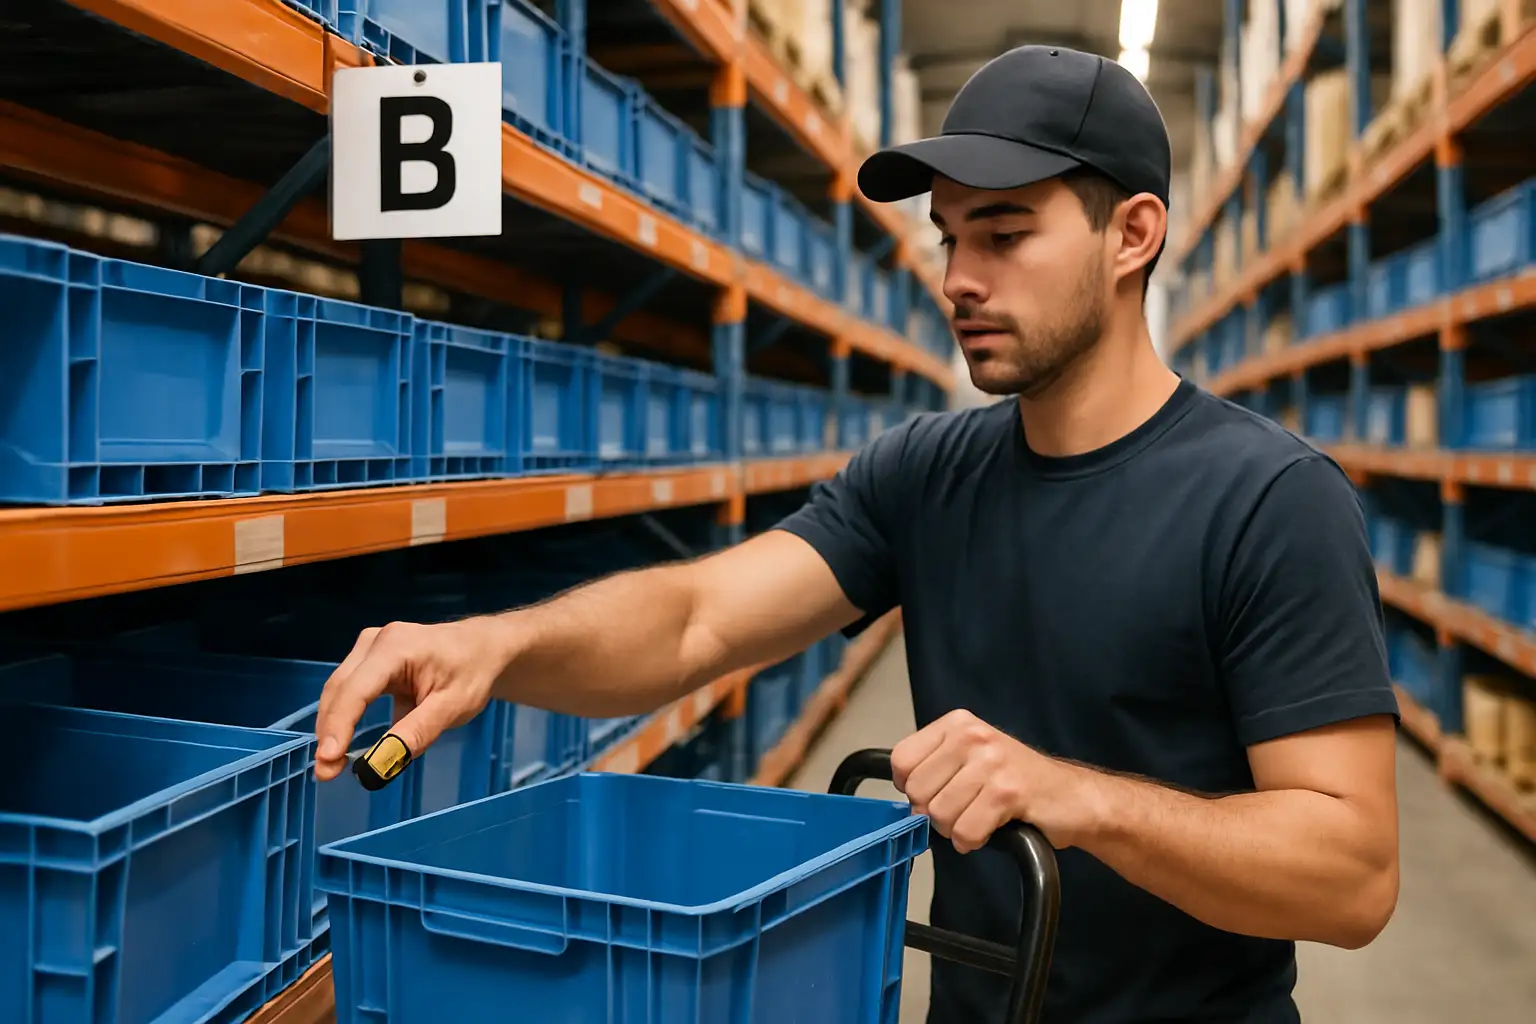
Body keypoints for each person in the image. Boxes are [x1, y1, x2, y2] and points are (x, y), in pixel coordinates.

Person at [313, 44, 1400, 1024]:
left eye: (1007, 235)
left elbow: (1351, 876)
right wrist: (500, 647)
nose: (958, 279)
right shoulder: (926, 474)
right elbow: (696, 620)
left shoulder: (1269, 499)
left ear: (1134, 235)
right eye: (951, 237)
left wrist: (1084, 799)